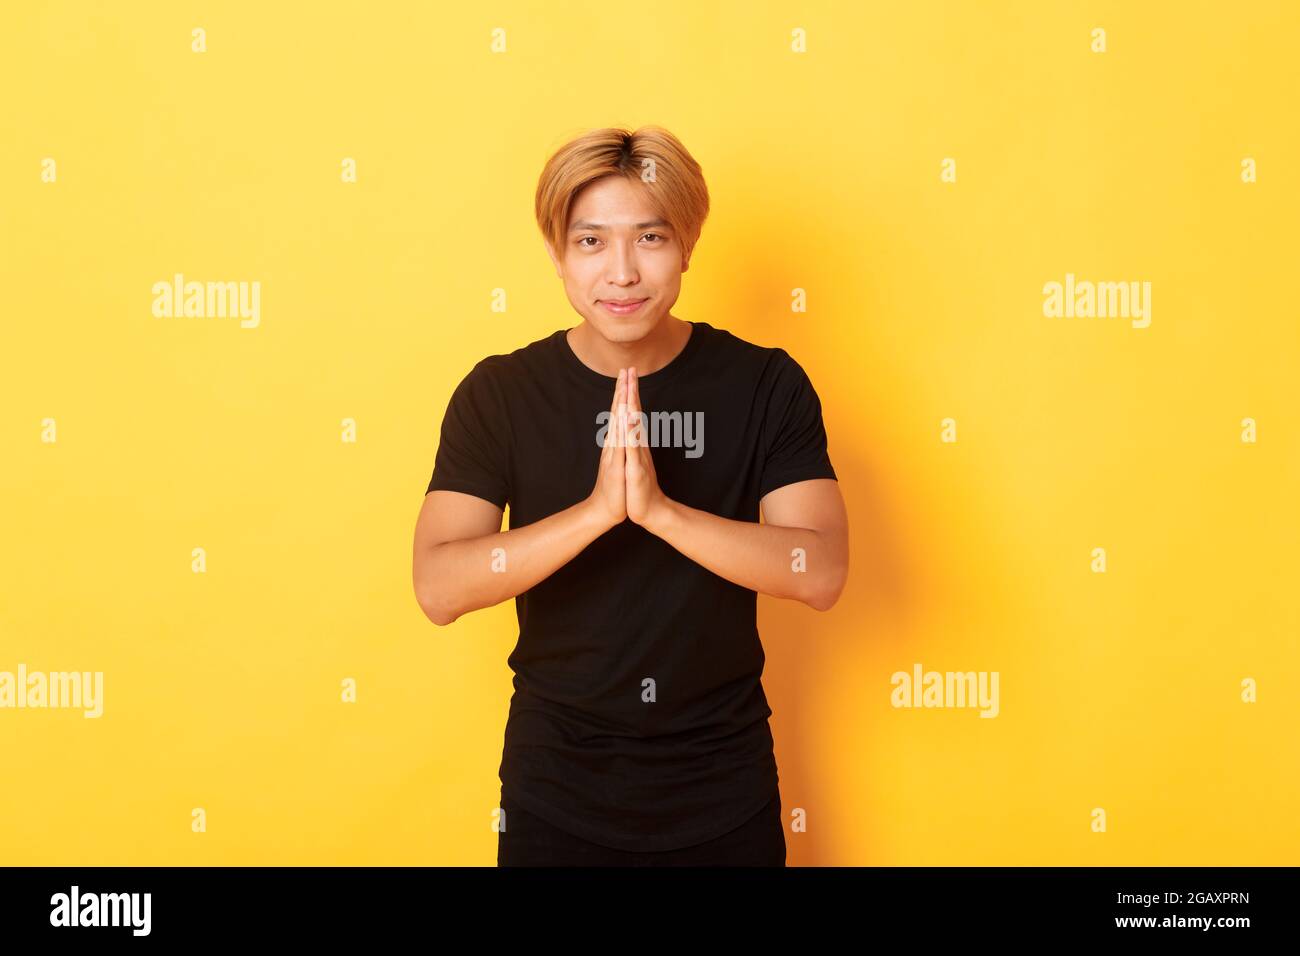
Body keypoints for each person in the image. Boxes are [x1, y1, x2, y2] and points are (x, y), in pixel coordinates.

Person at [412, 126, 849, 866]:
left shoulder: (765, 384)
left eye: (650, 237)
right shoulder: (501, 395)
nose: (622, 272)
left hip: (724, 790)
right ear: (556, 254)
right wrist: (595, 514)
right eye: (590, 243)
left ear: (687, 246)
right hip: (556, 794)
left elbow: (822, 574)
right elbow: (438, 588)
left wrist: (660, 513)